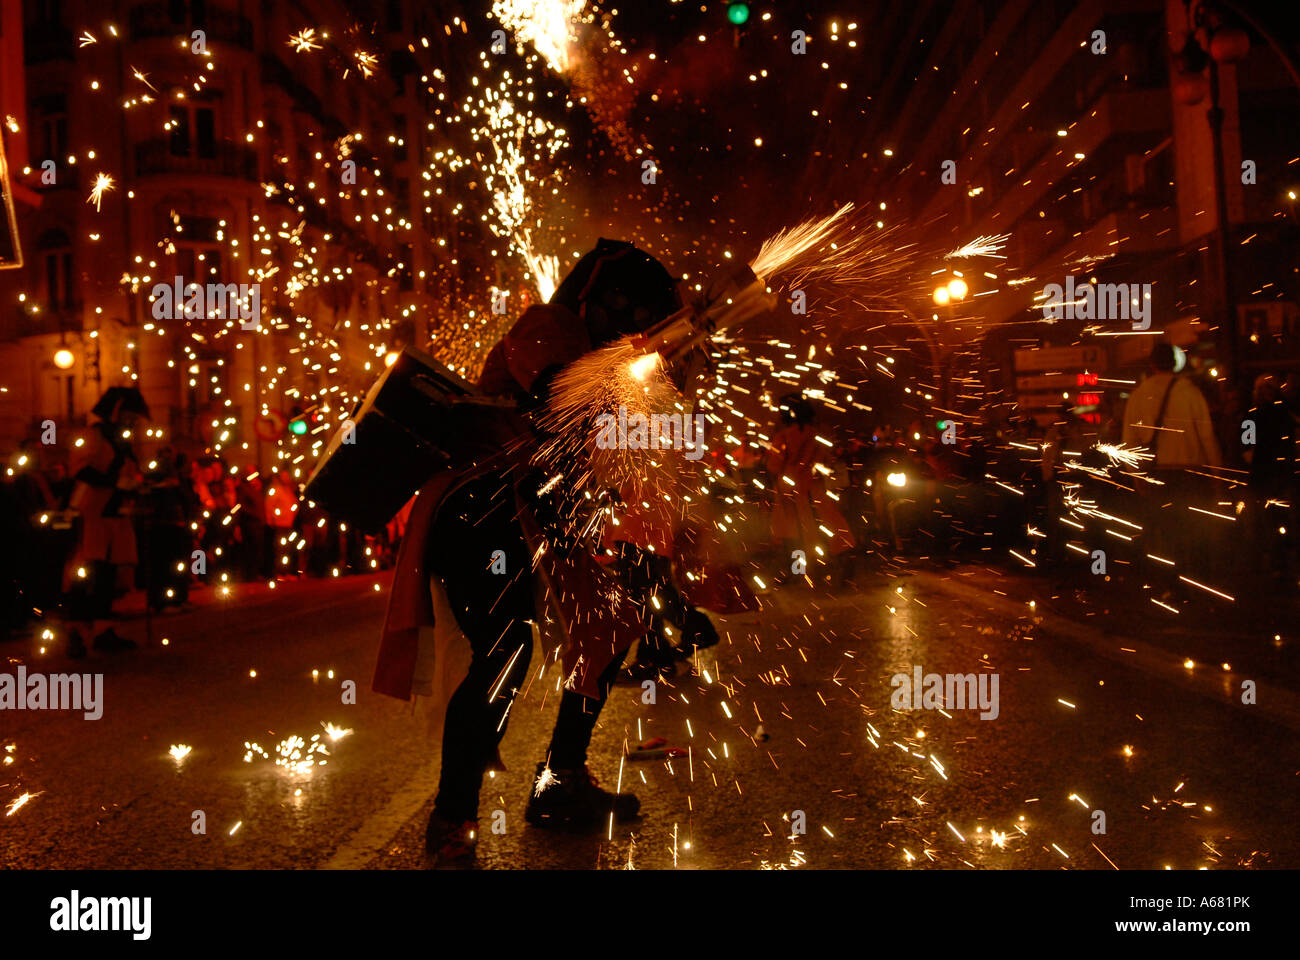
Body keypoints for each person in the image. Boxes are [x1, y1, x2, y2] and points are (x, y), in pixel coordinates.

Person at [372, 239, 689, 866]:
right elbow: (557, 401)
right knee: (504, 653)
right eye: (631, 314)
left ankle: (561, 781)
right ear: (605, 301)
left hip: (537, 508)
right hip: (483, 507)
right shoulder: (550, 323)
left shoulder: (596, 348)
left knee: (608, 625)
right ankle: (453, 820)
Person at [63, 387, 150, 656]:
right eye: (129, 415)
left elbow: (130, 473)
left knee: (110, 576)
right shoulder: (93, 436)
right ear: (116, 411)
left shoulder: (124, 441)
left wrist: (135, 486)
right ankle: (76, 632)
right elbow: (80, 470)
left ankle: (103, 629)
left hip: (116, 515)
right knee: (88, 574)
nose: (132, 421)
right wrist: (114, 481)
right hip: (92, 514)